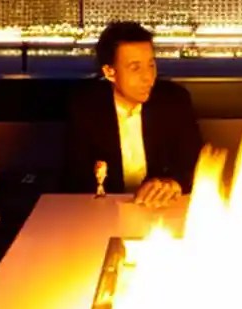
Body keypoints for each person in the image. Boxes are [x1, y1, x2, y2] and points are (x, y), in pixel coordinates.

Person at [63, 21, 202, 208]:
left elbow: (195, 162)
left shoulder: (174, 101)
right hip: (104, 211)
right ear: (110, 72)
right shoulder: (86, 108)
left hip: (161, 209)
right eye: (135, 68)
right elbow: (74, 177)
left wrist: (173, 184)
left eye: (151, 65)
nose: (148, 77)